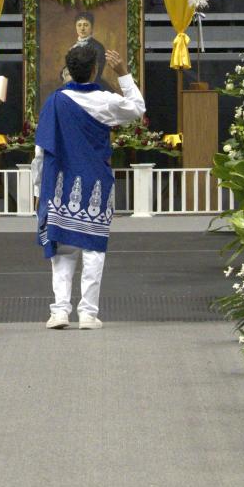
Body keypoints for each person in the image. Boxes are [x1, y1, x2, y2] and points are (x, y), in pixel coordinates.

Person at [33, 45, 145, 329]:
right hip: (95, 183)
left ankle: (59, 312)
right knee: (93, 248)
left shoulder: (55, 102)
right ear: (95, 70)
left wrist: (38, 191)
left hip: (59, 184)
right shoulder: (105, 101)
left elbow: (40, 151)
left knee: (63, 250)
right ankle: (88, 314)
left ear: (69, 71)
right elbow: (137, 109)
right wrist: (124, 74)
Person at [60, 11, 107, 84]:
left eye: (85, 25)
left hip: (92, 85)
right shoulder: (73, 47)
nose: (82, 28)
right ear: (76, 27)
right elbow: (66, 68)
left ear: (91, 28)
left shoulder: (98, 47)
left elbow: (97, 72)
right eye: (79, 25)